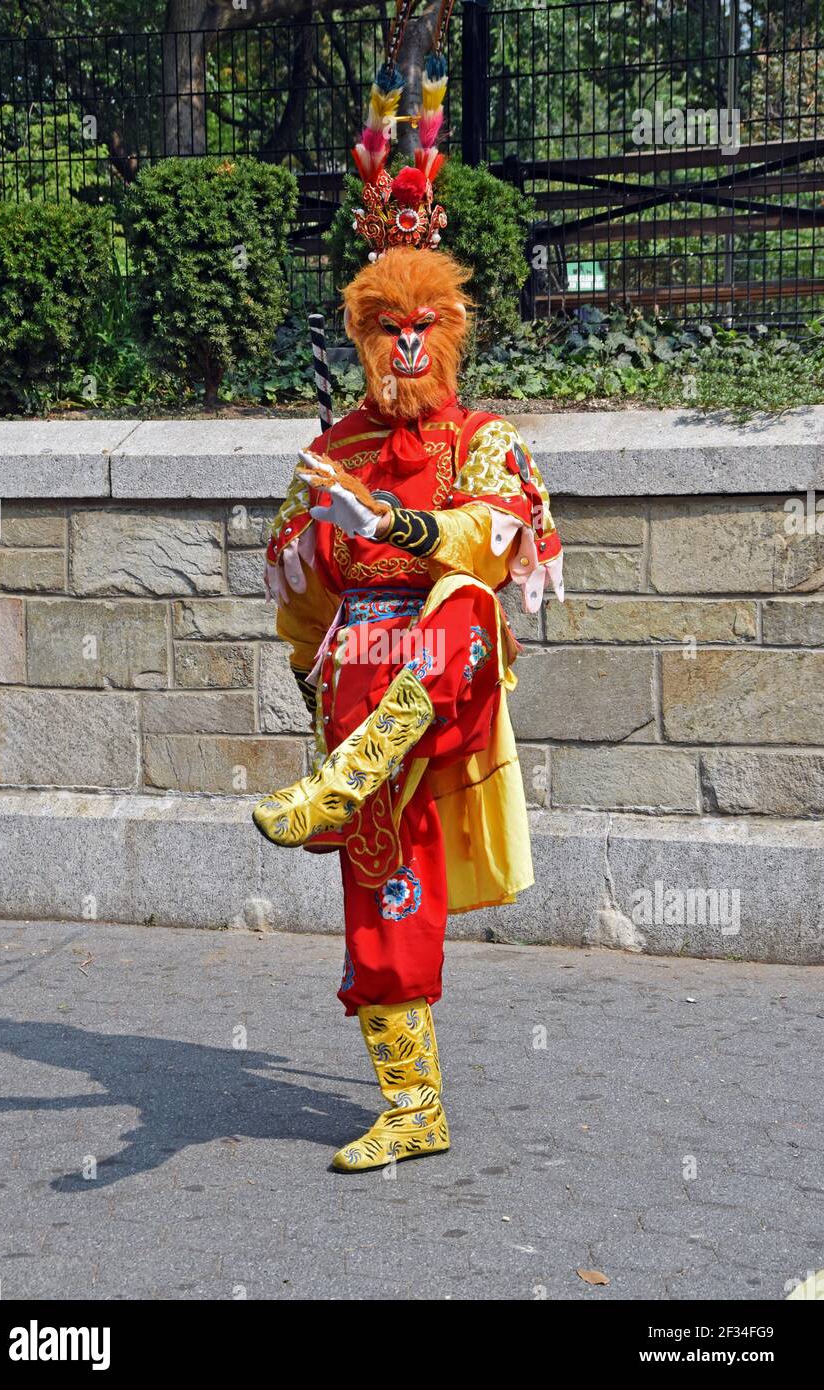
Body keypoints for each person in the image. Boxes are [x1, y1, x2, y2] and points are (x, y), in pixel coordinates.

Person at [254, 42, 563, 1172]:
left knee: (465, 604)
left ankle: (350, 771)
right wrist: (326, 536)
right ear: (364, 336)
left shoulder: (488, 440)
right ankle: (411, 1105)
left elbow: (492, 535)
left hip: (444, 693)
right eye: (389, 327)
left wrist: (386, 528)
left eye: (426, 323)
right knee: (385, 893)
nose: (411, 346)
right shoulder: (331, 450)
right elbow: (293, 592)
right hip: (360, 701)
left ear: (454, 329)